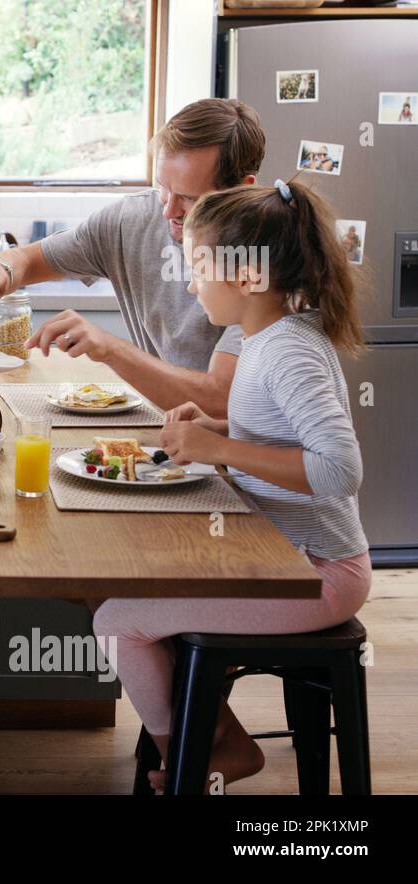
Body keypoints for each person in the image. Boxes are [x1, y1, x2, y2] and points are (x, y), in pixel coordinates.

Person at [94, 179, 371, 792]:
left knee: (116, 621)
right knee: (128, 581)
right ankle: (214, 736)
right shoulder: (266, 339)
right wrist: (217, 425)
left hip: (319, 574)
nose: (192, 285)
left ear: (246, 276)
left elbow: (338, 469)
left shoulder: (287, 352)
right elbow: (276, 433)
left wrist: (218, 448)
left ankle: (198, 752)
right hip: (283, 560)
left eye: (197, 267)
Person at [0, 98, 266, 417]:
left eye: (190, 198)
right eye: (163, 187)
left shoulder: (267, 257)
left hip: (239, 457)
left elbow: (223, 401)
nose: (168, 210)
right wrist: (5, 268)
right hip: (172, 437)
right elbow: (32, 259)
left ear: (241, 189)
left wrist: (110, 349)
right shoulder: (133, 220)